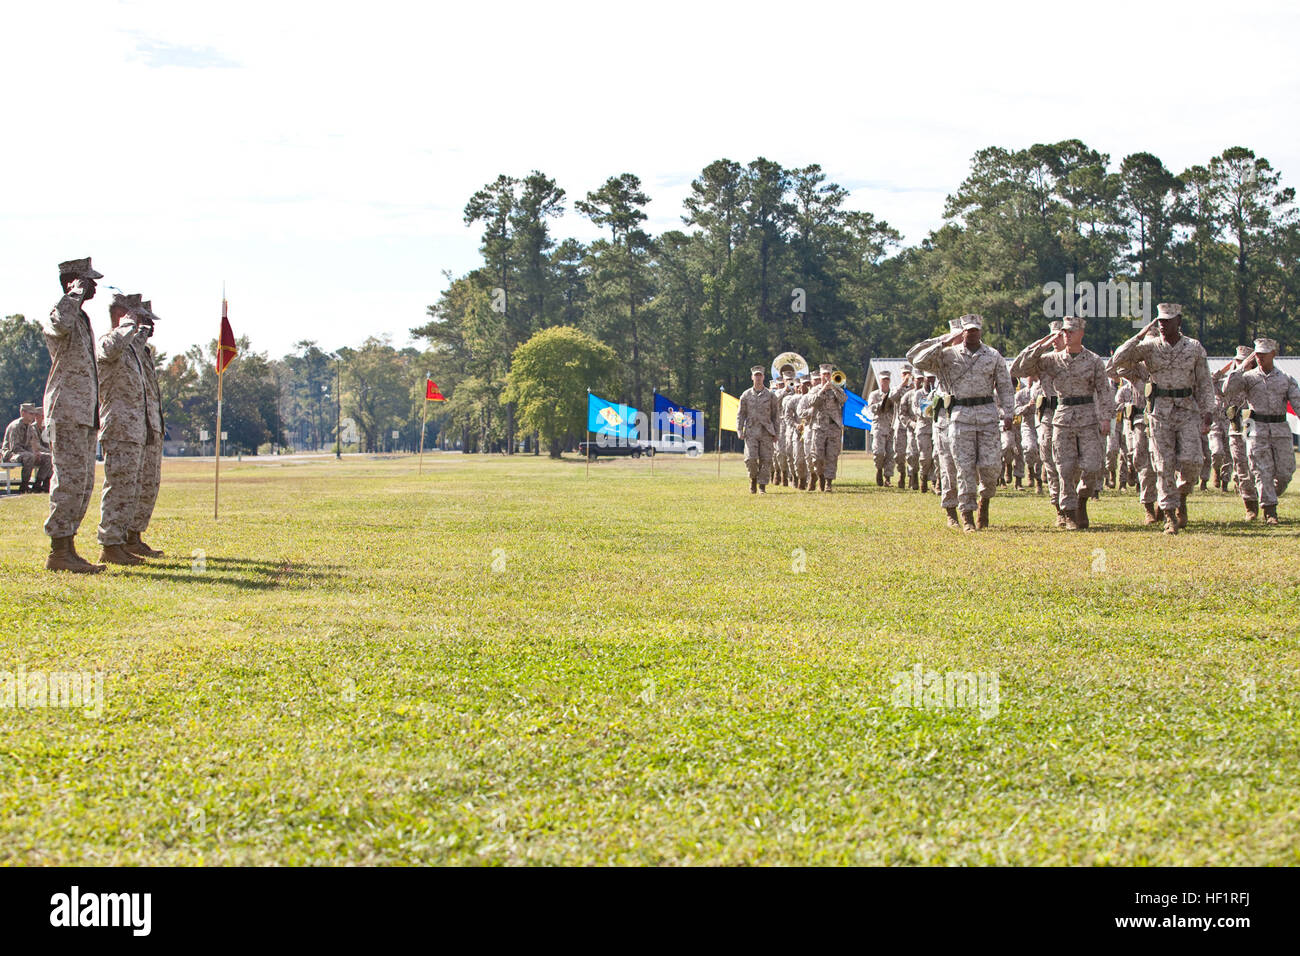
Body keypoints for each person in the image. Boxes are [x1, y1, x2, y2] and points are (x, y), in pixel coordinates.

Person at [1107, 303, 1215, 535]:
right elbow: (1117, 361)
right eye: (1160, 321)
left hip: (1187, 409)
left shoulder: (1194, 347)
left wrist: (1208, 412)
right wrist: (1139, 335)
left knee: (1193, 461)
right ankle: (1169, 516)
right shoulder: (1149, 346)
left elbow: (1205, 381)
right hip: (1160, 411)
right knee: (1163, 464)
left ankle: (1181, 495)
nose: (1163, 325)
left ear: (1179, 321)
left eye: (1168, 320)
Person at [911, 313, 1014, 531]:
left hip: (987, 415)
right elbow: (917, 359)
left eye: (976, 329)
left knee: (991, 466)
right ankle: (965, 514)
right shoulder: (947, 355)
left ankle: (984, 500)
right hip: (958, 417)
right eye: (968, 330)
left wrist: (1008, 413)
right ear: (963, 331)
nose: (972, 333)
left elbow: (1005, 386)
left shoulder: (993, 355)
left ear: (981, 331)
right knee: (962, 468)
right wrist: (945, 340)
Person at [1011, 316, 1114, 529]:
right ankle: (1068, 512)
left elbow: (1104, 390)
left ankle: (1082, 499)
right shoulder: (1052, 359)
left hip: (1087, 416)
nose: (1066, 335)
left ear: (1081, 333)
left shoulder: (1093, 360)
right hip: (1063, 416)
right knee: (1064, 468)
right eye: (1064, 332)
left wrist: (1105, 417)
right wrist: (1045, 342)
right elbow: (1020, 367)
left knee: (1092, 465)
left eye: (1071, 331)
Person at [41, 257, 106, 573]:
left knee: (81, 482)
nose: (94, 286)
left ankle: (68, 548)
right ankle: (59, 552)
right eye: (88, 281)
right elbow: (59, 323)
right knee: (67, 480)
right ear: (74, 283)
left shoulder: (81, 319)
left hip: (83, 413)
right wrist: (74, 293)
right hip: (66, 411)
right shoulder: (62, 312)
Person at [95, 292, 150, 565]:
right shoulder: (108, 341)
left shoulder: (130, 350)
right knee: (117, 488)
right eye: (134, 315)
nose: (138, 321)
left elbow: (135, 344)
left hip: (133, 431)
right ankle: (110, 544)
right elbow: (111, 347)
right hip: (118, 429)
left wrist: (141, 331)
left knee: (129, 489)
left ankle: (120, 542)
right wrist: (127, 325)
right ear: (120, 314)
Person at [1222, 338, 1300, 525]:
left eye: (1264, 355)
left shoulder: (1286, 379)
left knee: (1286, 471)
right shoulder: (1248, 378)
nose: (1260, 358)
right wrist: (1242, 367)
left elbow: (1297, 403)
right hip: (1255, 427)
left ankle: (1267, 492)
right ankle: (1269, 510)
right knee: (1261, 470)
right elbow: (1227, 389)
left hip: (1280, 427)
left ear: (1273, 354)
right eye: (1257, 354)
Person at [126, 300, 165, 557]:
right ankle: (118, 541)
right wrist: (133, 327)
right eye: (144, 320)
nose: (149, 326)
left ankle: (133, 536)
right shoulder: (120, 346)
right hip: (127, 427)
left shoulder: (142, 352)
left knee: (148, 484)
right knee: (128, 485)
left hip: (148, 426)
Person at [1213, 346, 1260, 518]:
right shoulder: (1231, 380)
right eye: (1238, 361)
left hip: (1251, 422)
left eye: (1244, 361)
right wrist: (1231, 367)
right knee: (1241, 464)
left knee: (1255, 462)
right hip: (1235, 424)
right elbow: (1214, 382)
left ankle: (1264, 499)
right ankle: (1250, 506)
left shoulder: (1257, 379)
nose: (1241, 364)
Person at [1116, 367, 1159, 524]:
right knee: (1143, 463)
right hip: (1141, 421)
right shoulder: (1135, 371)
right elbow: (1114, 367)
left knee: (1166, 463)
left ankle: (1165, 504)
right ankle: (1149, 507)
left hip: (1166, 419)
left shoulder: (1167, 365)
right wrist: (1136, 342)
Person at [736, 366, 780, 494]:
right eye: (756, 375)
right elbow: (741, 414)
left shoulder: (771, 396)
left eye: (760, 375)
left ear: (764, 377)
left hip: (766, 431)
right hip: (751, 431)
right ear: (752, 377)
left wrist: (776, 433)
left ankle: (762, 486)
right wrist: (739, 429)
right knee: (751, 459)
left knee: (766, 459)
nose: (758, 378)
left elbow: (775, 416)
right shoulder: (746, 395)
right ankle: (753, 480)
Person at [808, 364, 846, 491]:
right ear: (820, 375)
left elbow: (844, 400)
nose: (826, 376)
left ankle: (829, 483)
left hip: (833, 427)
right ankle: (820, 477)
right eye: (824, 374)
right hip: (819, 427)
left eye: (828, 374)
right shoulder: (815, 390)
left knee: (832, 456)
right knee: (817, 457)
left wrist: (834, 388)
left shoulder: (837, 389)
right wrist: (822, 390)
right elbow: (812, 402)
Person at [1, 404, 50, 493]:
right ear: (23, 413)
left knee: (48, 457)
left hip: (24, 453)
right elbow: (15, 448)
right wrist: (32, 453)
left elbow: (30, 445)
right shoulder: (16, 426)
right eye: (31, 413)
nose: (33, 416)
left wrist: (35, 453)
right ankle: (24, 486)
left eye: (34, 414)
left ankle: (38, 485)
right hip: (11, 454)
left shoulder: (29, 427)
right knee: (29, 456)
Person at [867, 370, 895, 486]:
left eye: (887, 379)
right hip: (878, 426)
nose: (885, 382)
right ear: (880, 381)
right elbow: (871, 409)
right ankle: (879, 469)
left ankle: (887, 478)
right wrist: (882, 402)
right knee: (879, 452)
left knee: (890, 453)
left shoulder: (893, 394)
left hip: (891, 426)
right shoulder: (874, 395)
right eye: (883, 379)